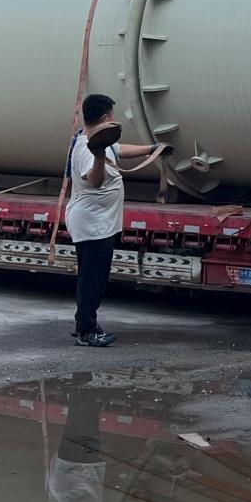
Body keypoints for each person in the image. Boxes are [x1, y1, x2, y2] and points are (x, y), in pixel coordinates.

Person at [68, 94, 164, 347]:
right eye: (112, 116)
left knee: (91, 277)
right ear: (104, 118)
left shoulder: (98, 140)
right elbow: (94, 180)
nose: (114, 119)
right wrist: (99, 157)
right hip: (93, 225)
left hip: (98, 223)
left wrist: (153, 149)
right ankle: (87, 331)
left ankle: (84, 324)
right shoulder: (89, 149)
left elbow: (119, 150)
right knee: (93, 280)